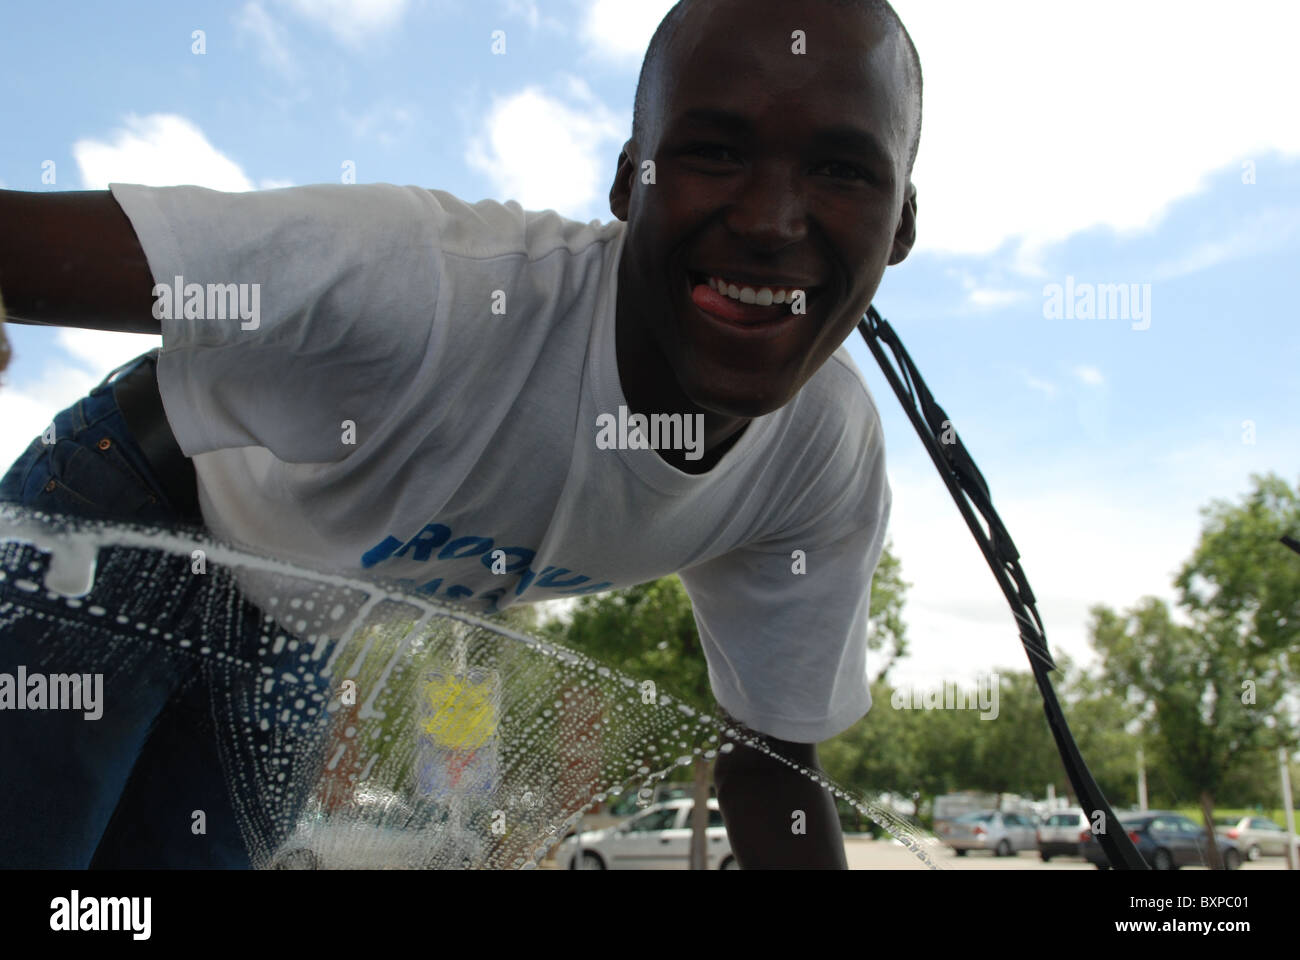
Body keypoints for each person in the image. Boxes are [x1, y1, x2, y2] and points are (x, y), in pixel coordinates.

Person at [0, 0, 921, 869]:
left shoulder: (821, 461)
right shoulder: (435, 286)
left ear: (903, 224)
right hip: (121, 513)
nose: (768, 221)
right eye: (715, 151)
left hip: (294, 625)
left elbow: (771, 764)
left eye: (842, 169)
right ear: (627, 183)